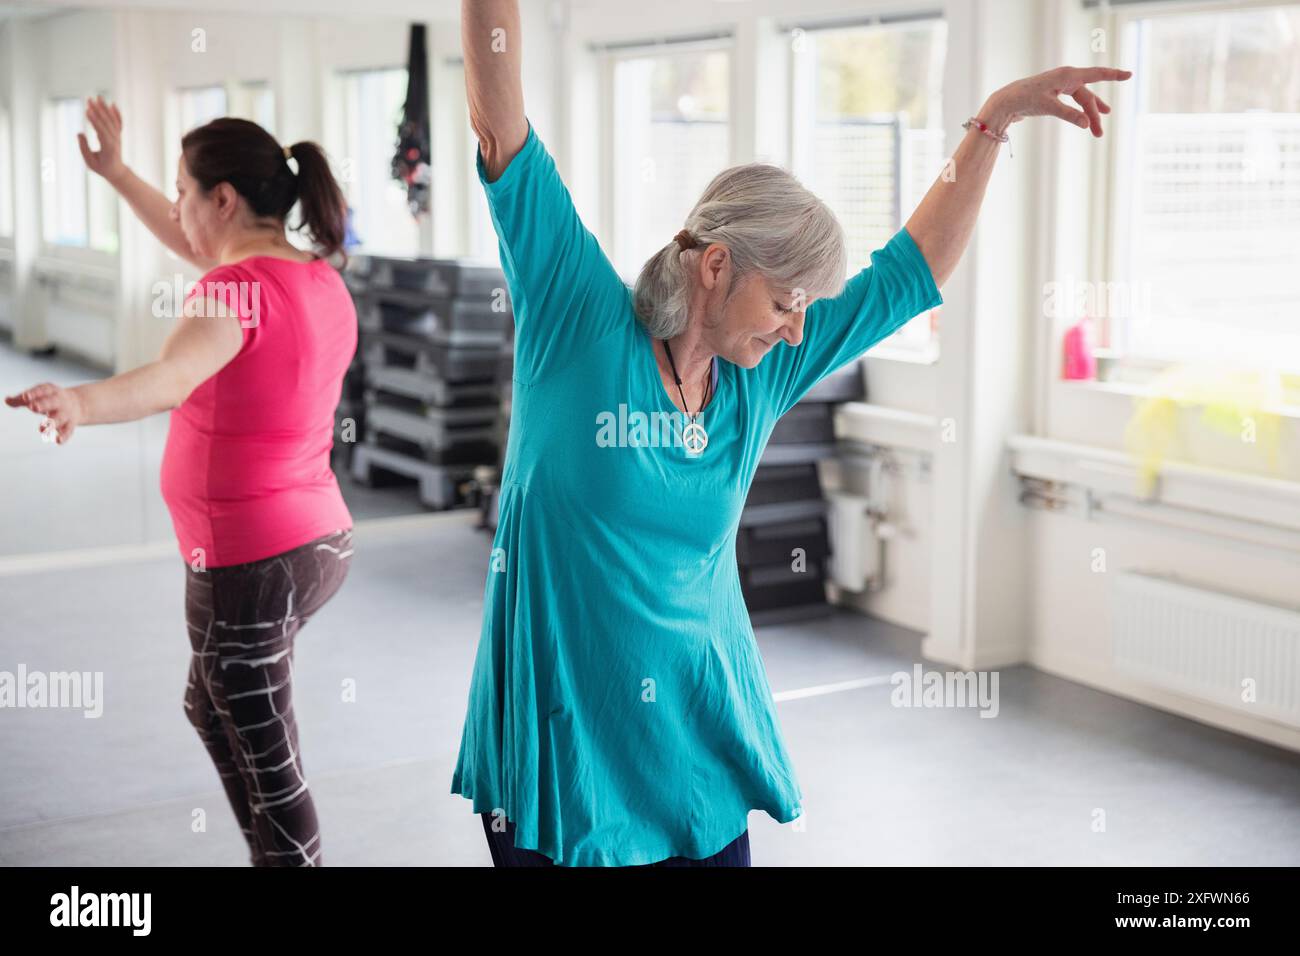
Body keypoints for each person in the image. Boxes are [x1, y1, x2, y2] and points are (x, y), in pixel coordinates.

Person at [452, 1, 1131, 868]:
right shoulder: (576, 317)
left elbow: (910, 270)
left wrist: (993, 122)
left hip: (697, 736)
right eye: (786, 303)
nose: (798, 331)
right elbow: (499, 122)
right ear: (716, 264)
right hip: (561, 739)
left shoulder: (756, 374)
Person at [5, 97, 358, 866]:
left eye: (182, 190)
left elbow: (171, 378)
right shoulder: (312, 277)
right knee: (212, 705)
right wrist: (116, 172)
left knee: (270, 762)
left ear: (223, 199)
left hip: (249, 562)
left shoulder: (233, 294)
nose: (175, 209)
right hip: (316, 543)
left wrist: (79, 402)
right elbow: (201, 245)